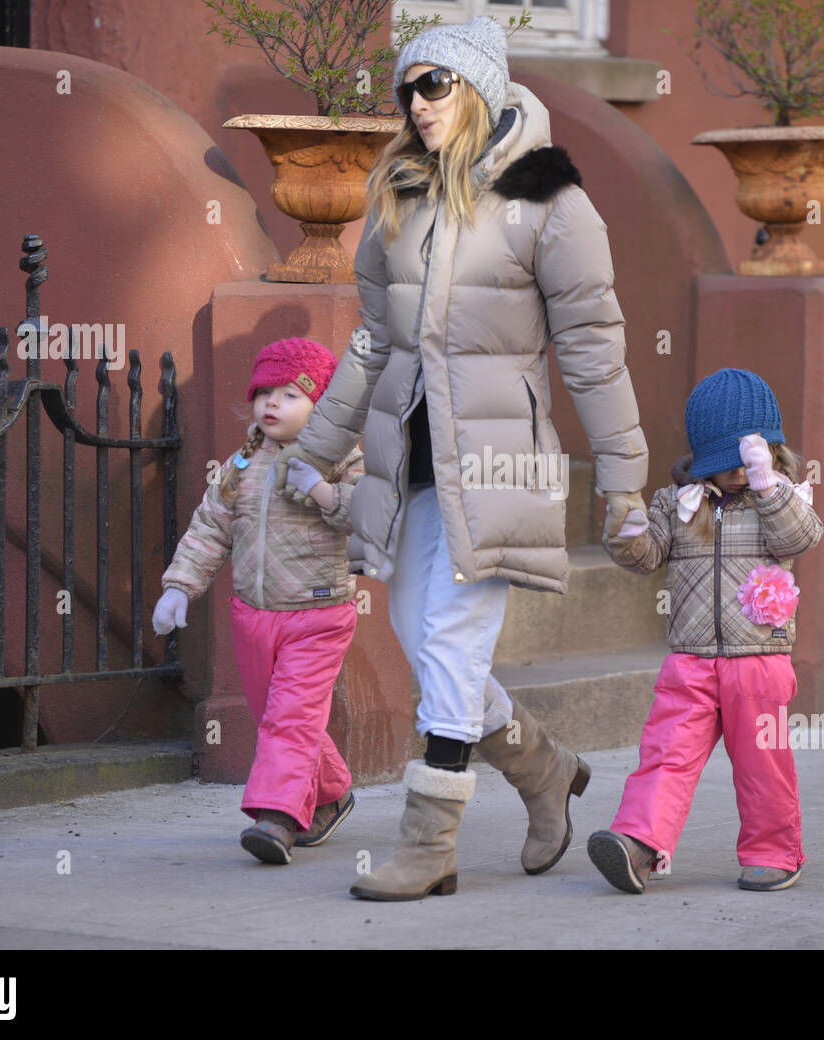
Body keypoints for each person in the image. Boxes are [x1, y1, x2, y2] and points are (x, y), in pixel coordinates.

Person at [273, 16, 649, 900]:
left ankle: (428, 842)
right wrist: (322, 445)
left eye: (435, 84)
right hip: (407, 461)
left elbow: (594, 350)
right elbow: (373, 339)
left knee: (449, 638)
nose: (417, 102)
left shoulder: (552, 202)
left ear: (477, 87)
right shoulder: (400, 193)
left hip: (498, 463)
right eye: (408, 87)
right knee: (422, 639)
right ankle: (543, 768)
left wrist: (625, 482)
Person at [588, 368, 824, 894]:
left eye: (749, 463)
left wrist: (767, 486)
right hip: (690, 659)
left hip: (759, 660)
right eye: (729, 466)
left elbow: (801, 539)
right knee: (666, 753)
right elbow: (649, 557)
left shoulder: (783, 497)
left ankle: (773, 852)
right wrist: (626, 533)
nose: (739, 474)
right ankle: (638, 844)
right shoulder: (678, 502)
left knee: (764, 764)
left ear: (770, 453)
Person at [153, 337, 364, 865]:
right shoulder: (243, 463)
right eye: (264, 391)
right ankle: (332, 793)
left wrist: (320, 489)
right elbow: (210, 528)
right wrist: (179, 586)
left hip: (318, 615)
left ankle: (276, 817)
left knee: (289, 719)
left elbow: (368, 514)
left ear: (322, 406)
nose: (272, 403)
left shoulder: (342, 458)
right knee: (281, 715)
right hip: (253, 616)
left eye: (291, 393)